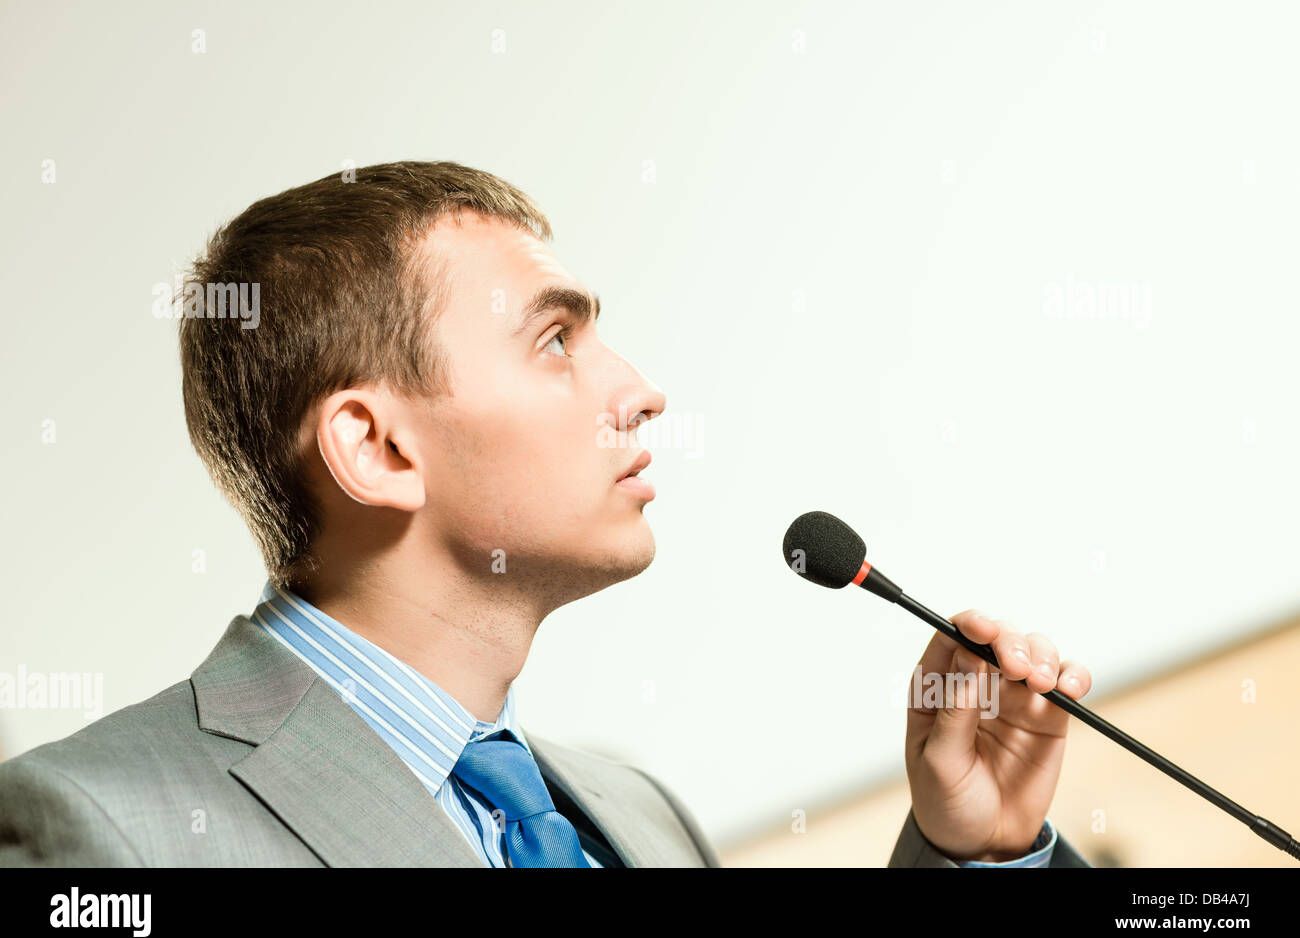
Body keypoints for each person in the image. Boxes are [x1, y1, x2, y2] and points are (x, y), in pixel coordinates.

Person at [0, 162, 1093, 867]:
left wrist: (975, 854)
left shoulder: (633, 811)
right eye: (555, 341)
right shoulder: (94, 831)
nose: (639, 389)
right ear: (377, 450)